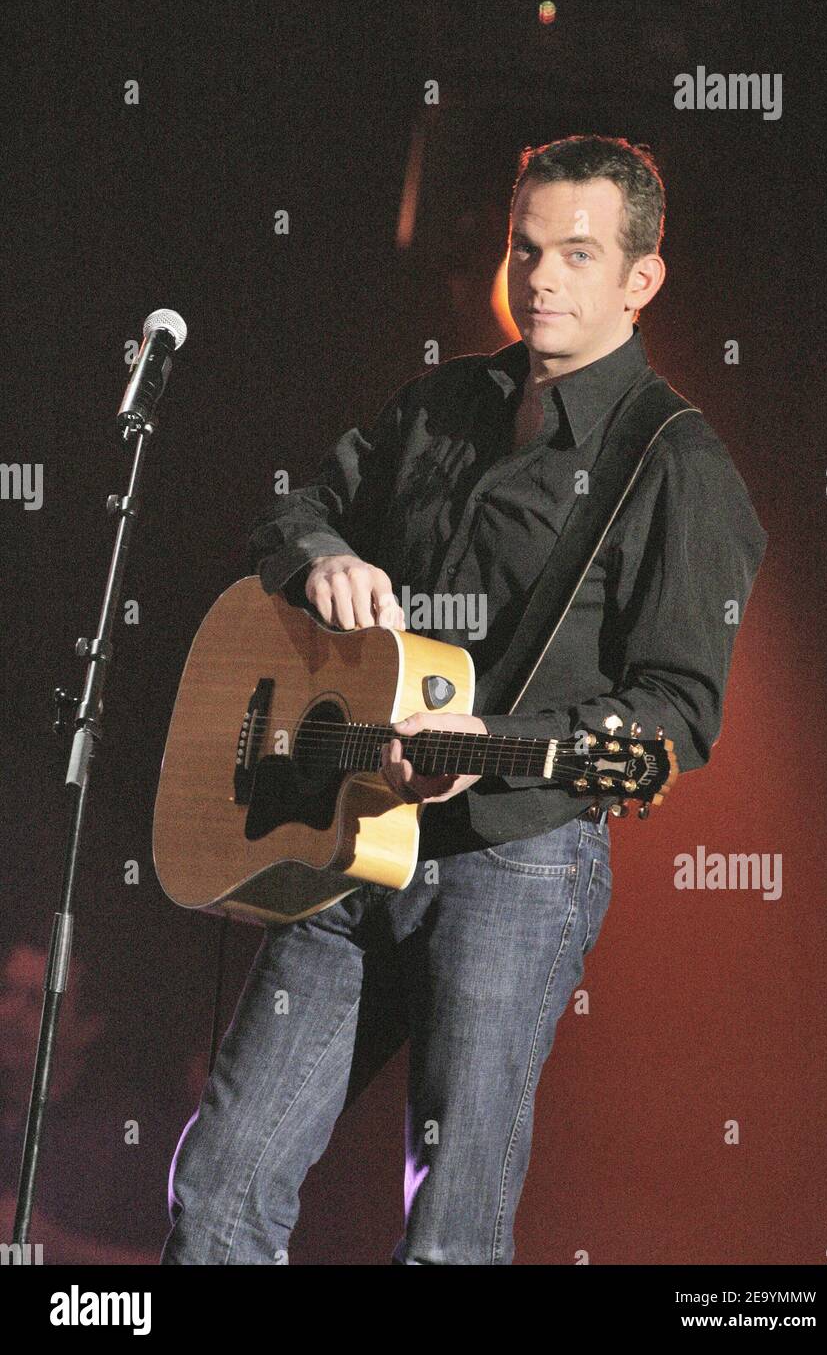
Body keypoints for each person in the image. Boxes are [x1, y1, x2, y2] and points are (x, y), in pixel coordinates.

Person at [160, 134, 768, 1265]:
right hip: (352, 831)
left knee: (447, 1234)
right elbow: (295, 512)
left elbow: (676, 711)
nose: (540, 278)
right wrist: (318, 560)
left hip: (515, 860)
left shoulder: (677, 467)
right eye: (525, 247)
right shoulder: (441, 402)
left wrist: (496, 739)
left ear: (640, 279)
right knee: (218, 1185)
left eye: (577, 256)